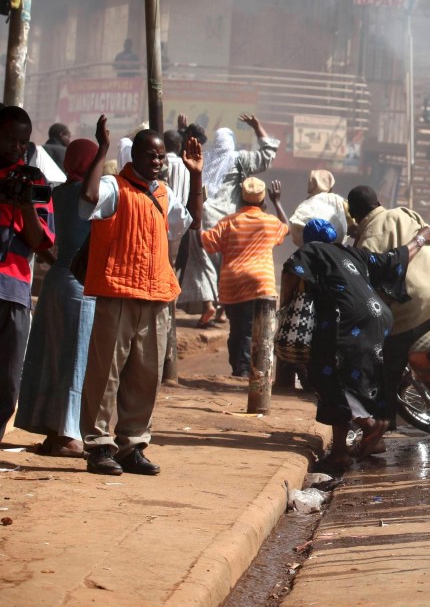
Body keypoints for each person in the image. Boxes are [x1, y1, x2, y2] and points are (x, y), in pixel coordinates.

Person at [80, 117, 203, 476]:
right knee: (105, 374)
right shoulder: (112, 187)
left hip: (157, 295)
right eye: (151, 155)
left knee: (145, 376)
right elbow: (88, 197)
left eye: (162, 157)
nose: (157, 161)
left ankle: (131, 446)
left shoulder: (164, 194)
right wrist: (101, 149)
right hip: (117, 292)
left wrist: (196, 174)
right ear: (134, 155)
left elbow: (192, 220)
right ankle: (99, 446)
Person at [282, 218, 430, 471]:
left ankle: (371, 425)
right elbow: (393, 259)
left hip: (344, 319)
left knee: (328, 376)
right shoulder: (353, 253)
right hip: (378, 318)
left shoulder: (310, 251)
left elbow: (290, 276)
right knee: (359, 377)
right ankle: (344, 451)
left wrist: (285, 309)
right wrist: (421, 238)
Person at [347, 185, 430, 407]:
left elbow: (368, 291)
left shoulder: (364, 244)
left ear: (354, 215)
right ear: (379, 202)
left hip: (407, 318)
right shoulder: (405, 214)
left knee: (386, 378)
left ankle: (380, 431)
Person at [14, 138, 99, 457]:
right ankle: (68, 435)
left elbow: (46, 244)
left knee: (51, 358)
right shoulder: (92, 198)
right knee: (76, 360)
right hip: (80, 288)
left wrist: (59, 262)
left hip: (56, 283)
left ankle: (53, 431)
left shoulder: (56, 193)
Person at [179, 114, 279, 327]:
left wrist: (184, 130)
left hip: (203, 215)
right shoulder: (239, 157)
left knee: (202, 263)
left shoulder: (206, 156)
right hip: (230, 221)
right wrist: (257, 126)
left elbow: (187, 160)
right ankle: (222, 311)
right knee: (228, 263)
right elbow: (266, 155)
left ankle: (208, 305)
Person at [0, 106, 56, 446]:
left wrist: (22, 206)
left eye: (23, 142)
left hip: (13, 288)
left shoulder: (33, 180)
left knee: (8, 381)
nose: (17, 148)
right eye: (10, 139)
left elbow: (42, 243)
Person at [200, 178, 289, 378]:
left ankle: (239, 367)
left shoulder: (228, 222)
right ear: (263, 201)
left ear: (241, 199)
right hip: (261, 285)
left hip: (233, 285)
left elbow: (205, 241)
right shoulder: (269, 222)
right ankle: (245, 372)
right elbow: (287, 227)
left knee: (238, 329)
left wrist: (198, 211)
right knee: (253, 330)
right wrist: (277, 202)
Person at [289, 169, 348, 247]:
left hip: (311, 252)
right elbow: (351, 223)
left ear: (311, 185)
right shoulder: (340, 201)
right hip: (336, 251)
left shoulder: (305, 205)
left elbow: (295, 232)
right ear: (331, 185)